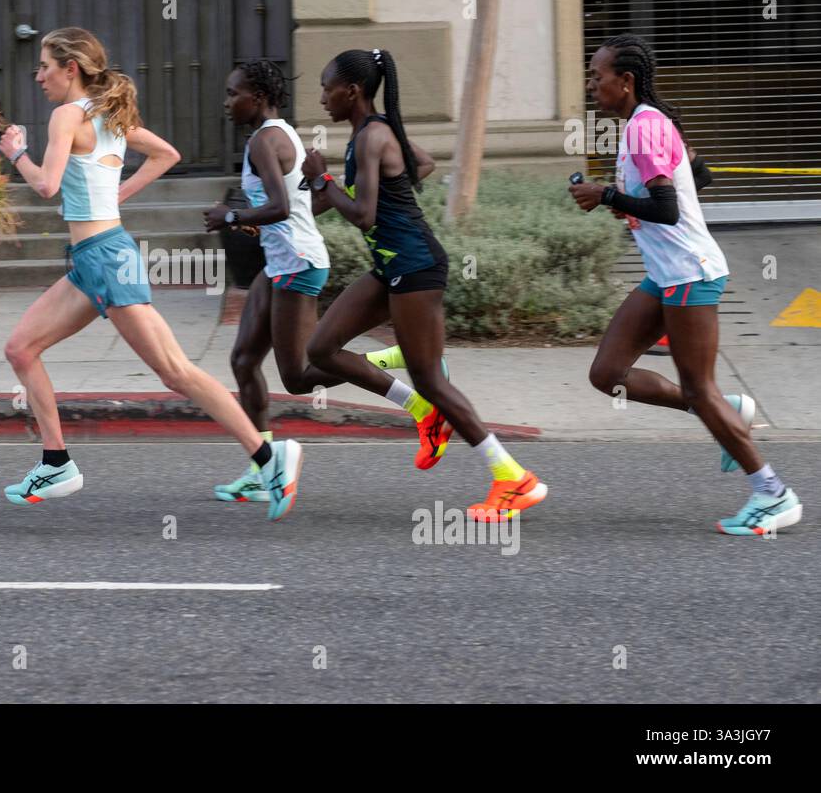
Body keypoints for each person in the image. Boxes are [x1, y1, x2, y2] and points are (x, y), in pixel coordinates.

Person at [0, 27, 305, 520]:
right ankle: (56, 461)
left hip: (107, 259)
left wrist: (16, 153)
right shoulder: (108, 115)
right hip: (95, 260)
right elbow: (167, 155)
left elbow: (47, 186)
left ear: (70, 68)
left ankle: (270, 458)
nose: (39, 76)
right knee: (20, 348)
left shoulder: (66, 116)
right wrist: (114, 196)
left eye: (45, 66)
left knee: (175, 371)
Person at [302, 48, 547, 522]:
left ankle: (512, 477)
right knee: (321, 348)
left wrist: (323, 179)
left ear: (351, 91)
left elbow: (364, 214)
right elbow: (423, 164)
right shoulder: (371, 135)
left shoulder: (372, 137)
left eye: (326, 86)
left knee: (431, 377)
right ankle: (425, 412)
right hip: (391, 267)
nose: (322, 96)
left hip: (414, 269)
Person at [571, 33, 801, 535]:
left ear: (625, 80)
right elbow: (701, 176)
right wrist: (627, 202)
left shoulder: (644, 129)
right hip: (667, 275)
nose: (592, 86)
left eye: (597, 76)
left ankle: (774, 494)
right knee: (607, 372)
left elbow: (669, 207)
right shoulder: (651, 122)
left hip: (691, 275)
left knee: (698, 388)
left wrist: (607, 193)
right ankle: (727, 410)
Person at [204, 60, 342, 502]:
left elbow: (282, 206)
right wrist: (252, 224)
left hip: (297, 264)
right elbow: (305, 205)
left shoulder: (265, 140)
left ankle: (403, 360)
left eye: (232, 94)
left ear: (257, 98)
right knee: (244, 361)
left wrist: (231, 216)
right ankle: (262, 468)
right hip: (283, 260)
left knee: (299, 376)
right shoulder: (281, 133)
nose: (226, 103)